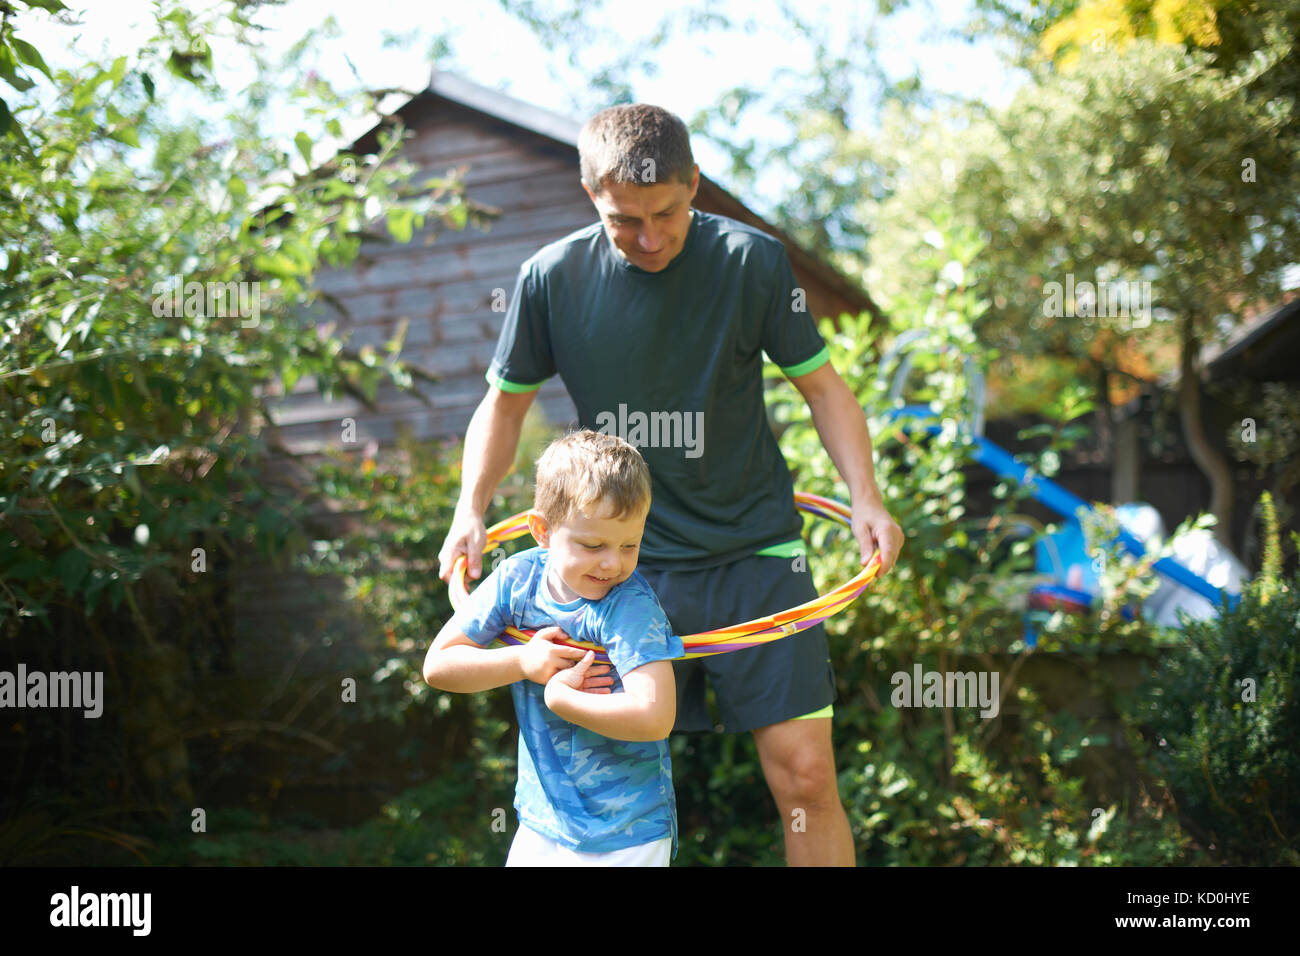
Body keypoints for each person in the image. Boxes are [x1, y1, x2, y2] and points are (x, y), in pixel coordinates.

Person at [437, 103, 904, 866]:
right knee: (607, 787)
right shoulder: (551, 279)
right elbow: (505, 403)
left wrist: (867, 499)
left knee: (808, 775)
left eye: (667, 213)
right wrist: (470, 510)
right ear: (591, 193)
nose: (649, 238)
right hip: (624, 568)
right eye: (626, 220)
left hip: (759, 553)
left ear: (694, 184)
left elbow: (824, 388)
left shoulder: (752, 262)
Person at [425, 429, 681, 866]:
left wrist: (560, 698)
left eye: (629, 545)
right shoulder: (516, 580)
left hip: (628, 829)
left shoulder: (629, 606)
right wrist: (524, 661)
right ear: (542, 531)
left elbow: (655, 717)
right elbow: (439, 665)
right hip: (543, 821)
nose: (613, 563)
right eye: (593, 544)